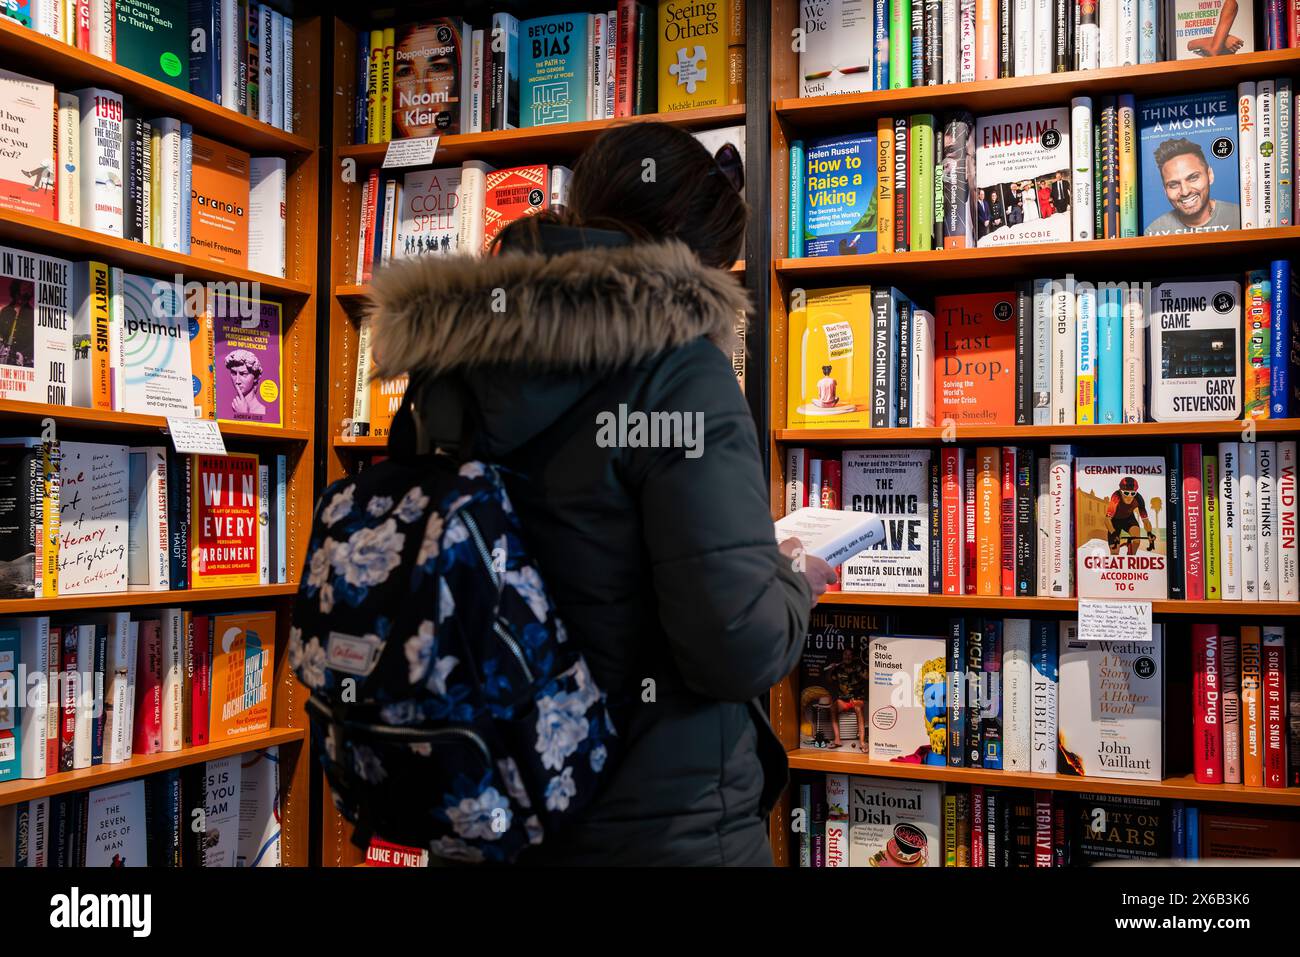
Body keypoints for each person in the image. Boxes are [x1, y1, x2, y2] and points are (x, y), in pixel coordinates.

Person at [367, 122, 836, 866]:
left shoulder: (451, 362)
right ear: (702, 261)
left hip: (489, 806)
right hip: (656, 825)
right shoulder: (680, 373)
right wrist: (793, 582)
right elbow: (733, 646)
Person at [1146, 137, 1241, 234]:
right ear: (1165, 190)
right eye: (1173, 185)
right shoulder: (1154, 232)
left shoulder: (1241, 217)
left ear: (1210, 175)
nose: (1185, 192)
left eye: (1193, 178)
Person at [1106, 476, 1154, 555]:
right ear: (1121, 491)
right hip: (1114, 521)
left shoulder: (1139, 499)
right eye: (1126, 493)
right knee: (1114, 553)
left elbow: (1145, 520)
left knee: (1136, 540)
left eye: (1133, 493)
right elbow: (1107, 520)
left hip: (1129, 519)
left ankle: (1131, 556)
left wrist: (1149, 533)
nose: (1129, 496)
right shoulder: (1116, 496)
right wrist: (1113, 533)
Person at [0, 279, 35, 368]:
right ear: (15, 292)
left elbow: (35, 341)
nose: (22, 298)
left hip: (23, 361)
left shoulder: (32, 315)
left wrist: (23, 354)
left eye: (27, 295)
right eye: (19, 294)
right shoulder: (5, 311)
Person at [224, 349, 266, 416]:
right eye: (234, 373)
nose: (237, 381)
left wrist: (243, 414)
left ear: (255, 377)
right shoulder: (224, 408)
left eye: (243, 374)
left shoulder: (262, 411)